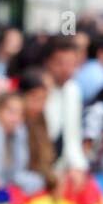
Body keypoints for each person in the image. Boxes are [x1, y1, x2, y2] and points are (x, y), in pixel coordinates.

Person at [43, 35, 88, 188]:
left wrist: (78, 166)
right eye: (61, 64)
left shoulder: (73, 90)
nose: (67, 70)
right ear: (48, 62)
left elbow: (72, 135)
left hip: (63, 173)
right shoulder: (38, 90)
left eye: (72, 64)